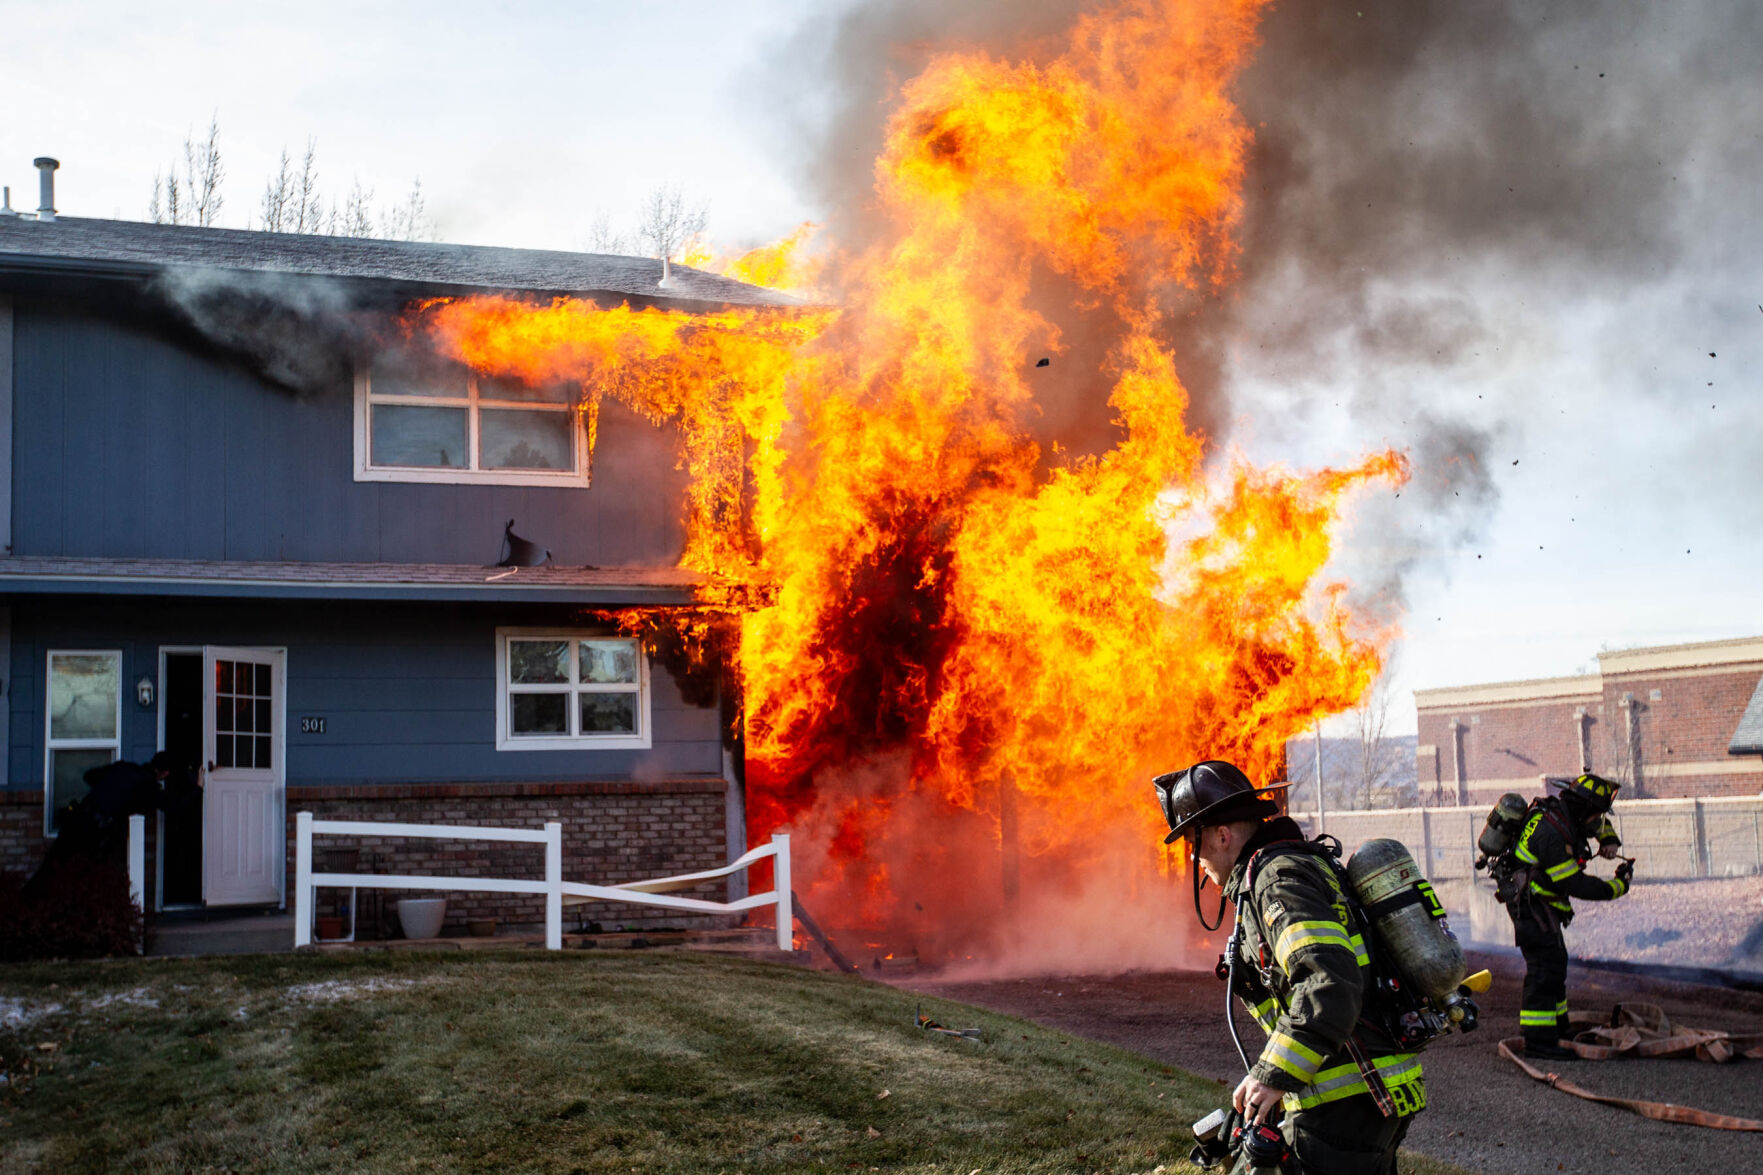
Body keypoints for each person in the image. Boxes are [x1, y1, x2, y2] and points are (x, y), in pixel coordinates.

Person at [1155, 760, 1423, 1175]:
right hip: (1366, 1092)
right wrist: (1270, 1077)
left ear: (1223, 835)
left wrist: (1272, 1076)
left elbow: (1327, 983)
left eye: (1196, 841)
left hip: (1348, 1097)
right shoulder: (1293, 865)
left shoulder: (1276, 878)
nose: (1196, 856)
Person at [1506, 771, 1631, 1060]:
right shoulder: (1552, 833)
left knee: (1556, 963)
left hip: (1541, 905)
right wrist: (1618, 887)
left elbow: (1599, 824)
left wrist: (1609, 839)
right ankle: (1537, 1040)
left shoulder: (1562, 814)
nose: (1598, 822)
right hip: (1531, 906)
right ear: (1584, 808)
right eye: (1596, 815)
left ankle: (1558, 1028)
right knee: (1543, 970)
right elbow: (1574, 884)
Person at [23, 751, 202, 898]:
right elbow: (176, 808)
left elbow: (89, 776)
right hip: (94, 830)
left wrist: (108, 787)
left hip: (76, 819)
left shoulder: (123, 767)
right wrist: (198, 788)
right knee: (86, 875)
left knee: (52, 867)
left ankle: (26, 906)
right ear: (165, 774)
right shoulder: (149, 788)